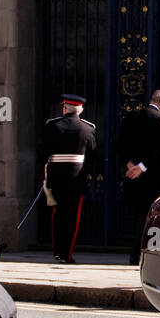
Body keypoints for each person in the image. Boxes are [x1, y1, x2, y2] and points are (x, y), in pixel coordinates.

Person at [41, 93, 99, 264]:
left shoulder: (52, 126)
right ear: (80, 110)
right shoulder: (88, 129)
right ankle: (67, 254)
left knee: (57, 214)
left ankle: (57, 251)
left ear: (64, 108)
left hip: (56, 176)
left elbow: (43, 152)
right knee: (72, 217)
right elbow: (93, 155)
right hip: (77, 177)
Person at [117, 90, 160, 266]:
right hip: (152, 179)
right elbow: (159, 150)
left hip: (131, 177)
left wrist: (130, 166)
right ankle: (145, 256)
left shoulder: (131, 117)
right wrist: (141, 168)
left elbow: (119, 144)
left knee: (139, 217)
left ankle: (136, 255)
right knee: (152, 218)